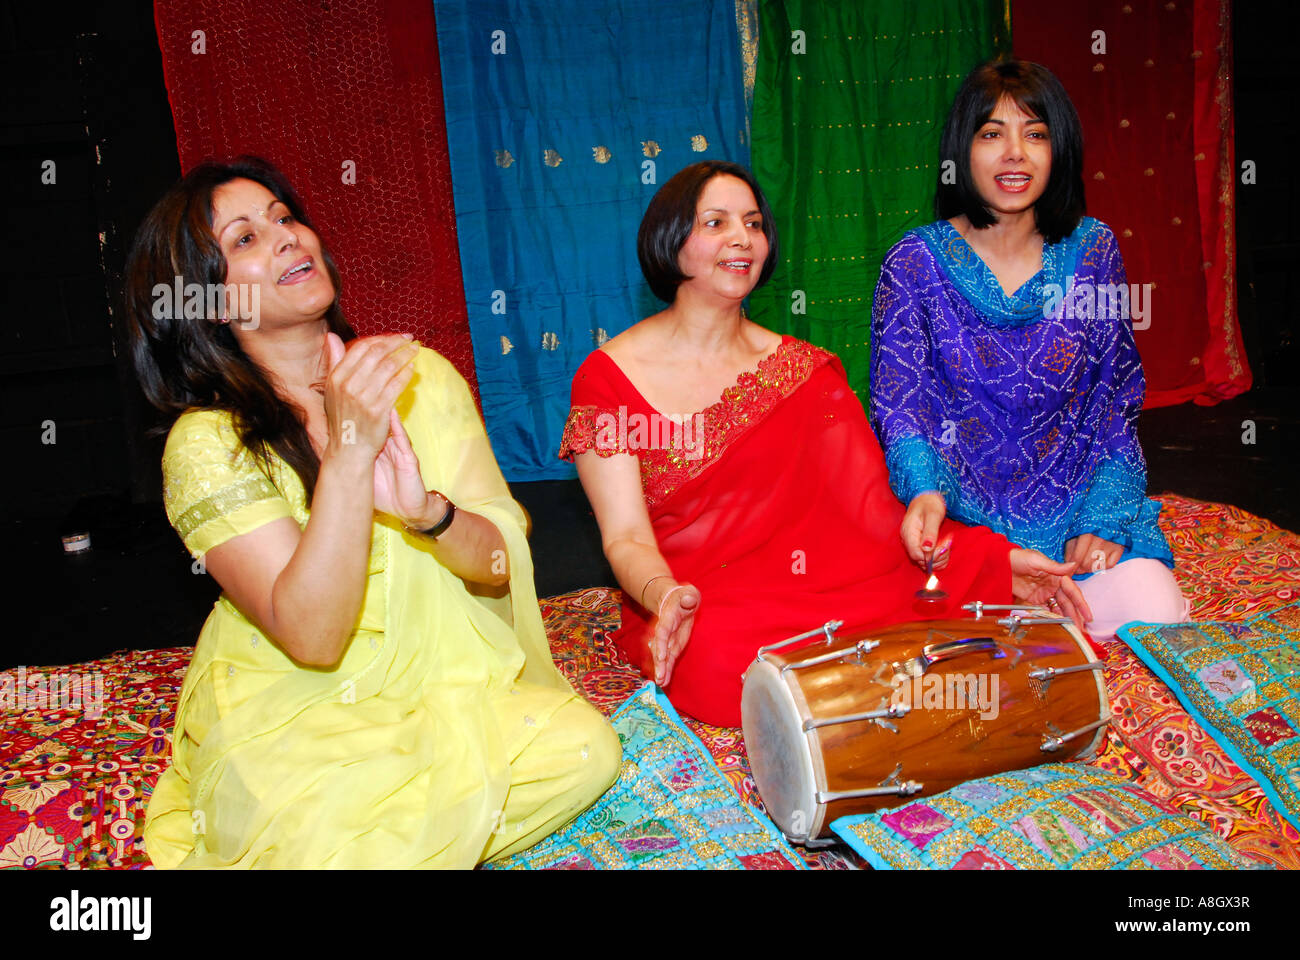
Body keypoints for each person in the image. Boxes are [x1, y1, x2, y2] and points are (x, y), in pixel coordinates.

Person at [127, 157, 618, 868]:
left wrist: (427, 515)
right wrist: (350, 455)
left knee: (586, 751)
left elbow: (498, 565)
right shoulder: (208, 443)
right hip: (296, 704)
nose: (288, 237)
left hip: (443, 684)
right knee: (318, 838)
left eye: (284, 217)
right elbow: (315, 638)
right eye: (244, 240)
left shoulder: (418, 378)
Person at [560, 160, 1091, 728]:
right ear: (670, 241)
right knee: (726, 665)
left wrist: (995, 561)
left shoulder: (804, 371)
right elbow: (625, 536)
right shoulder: (609, 377)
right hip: (700, 597)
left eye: (754, 223)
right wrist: (663, 594)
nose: (742, 238)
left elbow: (870, 516)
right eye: (715, 223)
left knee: (927, 611)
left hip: (828, 577)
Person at [870, 59, 1188, 643]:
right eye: (992, 134)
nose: (1015, 153)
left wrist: (1101, 518)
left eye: (1035, 134)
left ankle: (1045, 607)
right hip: (964, 520)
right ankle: (1015, 606)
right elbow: (901, 405)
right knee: (920, 627)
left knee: (1156, 605)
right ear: (960, 152)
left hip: (1072, 507)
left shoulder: (1093, 249)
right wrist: (924, 492)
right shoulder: (913, 263)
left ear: (1057, 149)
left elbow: (1116, 397)